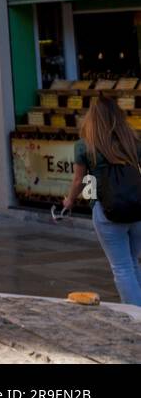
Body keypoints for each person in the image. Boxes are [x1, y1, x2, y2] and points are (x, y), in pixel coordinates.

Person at [64, 96, 141, 306]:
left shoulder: (84, 146)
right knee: (133, 262)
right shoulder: (133, 142)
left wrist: (69, 200)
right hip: (136, 209)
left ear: (92, 118)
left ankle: (135, 315)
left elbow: (80, 180)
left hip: (107, 210)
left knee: (122, 267)